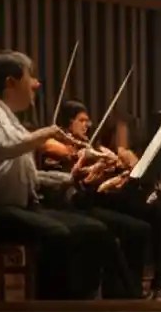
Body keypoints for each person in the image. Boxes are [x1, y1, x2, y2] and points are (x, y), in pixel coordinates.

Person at [0, 50, 131, 300]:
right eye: (31, 76)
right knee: (57, 235)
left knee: (96, 231)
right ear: (10, 83)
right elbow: (3, 146)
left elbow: (29, 177)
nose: (36, 83)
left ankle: (96, 305)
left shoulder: (8, 120)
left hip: (14, 207)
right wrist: (46, 133)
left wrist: (70, 178)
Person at [41, 100, 150, 296]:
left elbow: (86, 185)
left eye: (89, 121)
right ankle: (127, 293)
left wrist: (100, 175)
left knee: (139, 227)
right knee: (131, 229)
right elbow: (62, 185)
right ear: (68, 123)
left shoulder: (87, 148)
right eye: (82, 120)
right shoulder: (55, 146)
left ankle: (123, 291)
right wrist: (84, 164)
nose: (88, 125)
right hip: (66, 209)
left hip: (83, 205)